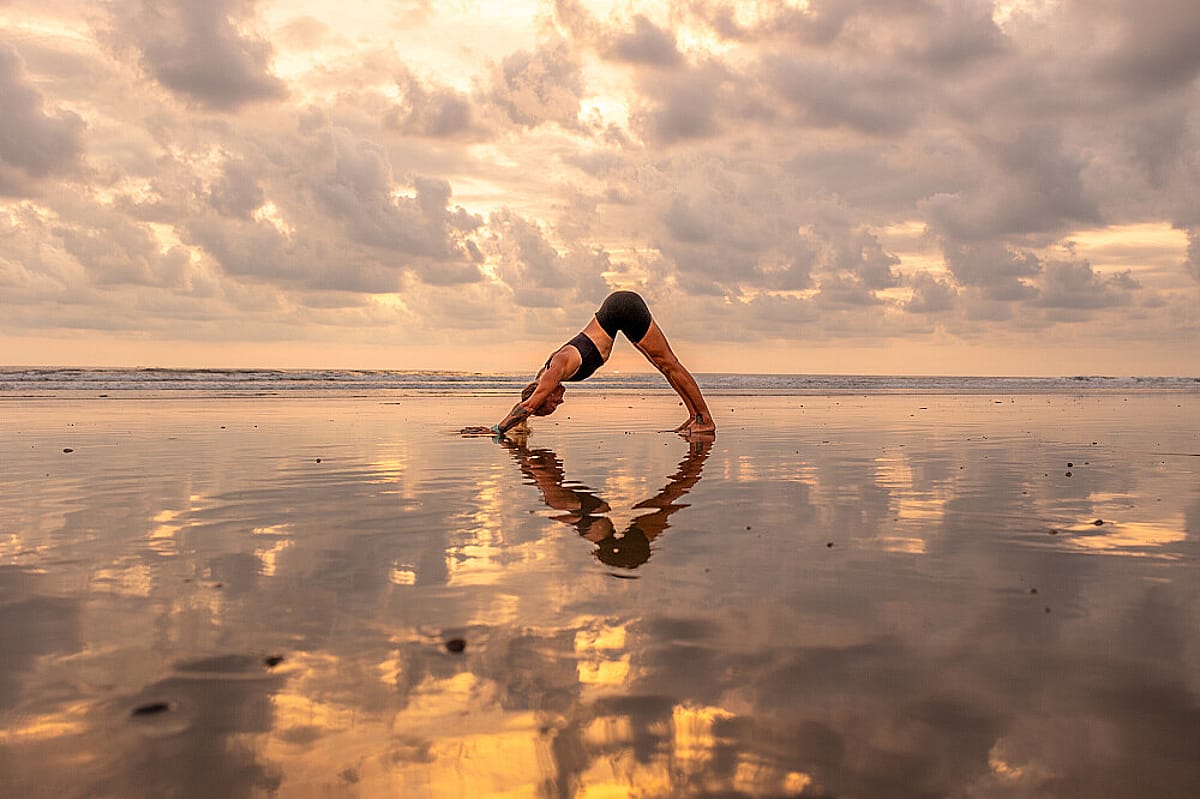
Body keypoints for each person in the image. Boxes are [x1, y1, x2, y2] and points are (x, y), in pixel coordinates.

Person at [474, 291, 716, 437]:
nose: (561, 400)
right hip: (618, 313)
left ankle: (704, 418)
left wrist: (497, 429)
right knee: (665, 366)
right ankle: (696, 416)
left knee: (669, 363)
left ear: (544, 392)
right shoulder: (546, 373)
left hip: (622, 309)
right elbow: (529, 402)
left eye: (553, 403)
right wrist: (522, 426)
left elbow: (528, 405)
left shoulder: (555, 369)